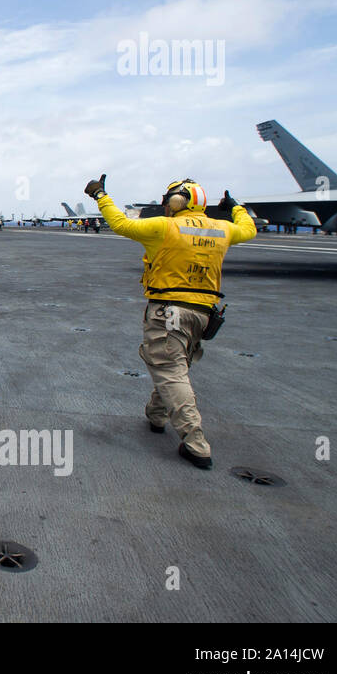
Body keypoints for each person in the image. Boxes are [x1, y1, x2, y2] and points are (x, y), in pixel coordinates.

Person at [84, 174, 256, 470]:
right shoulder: (222, 229)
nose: (165, 205)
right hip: (203, 314)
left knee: (170, 371)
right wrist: (235, 207)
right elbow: (249, 229)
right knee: (174, 365)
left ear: (178, 201)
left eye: (168, 200)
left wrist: (100, 195)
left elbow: (121, 224)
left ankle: (195, 442)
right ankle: (156, 415)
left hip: (169, 310)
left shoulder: (166, 227)